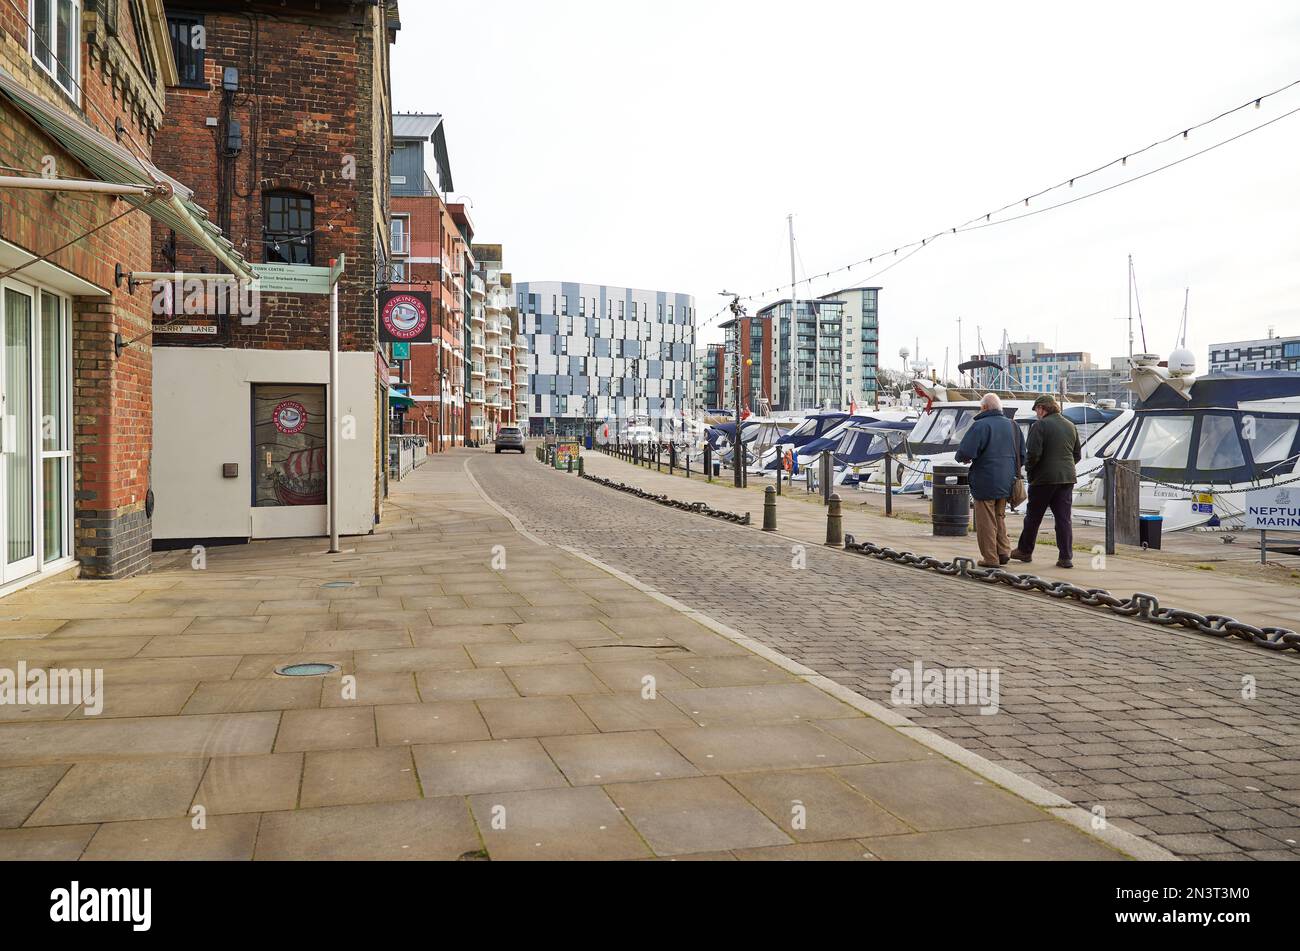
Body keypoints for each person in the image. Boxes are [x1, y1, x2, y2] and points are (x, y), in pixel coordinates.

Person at [1010, 395, 1082, 568]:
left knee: (1033, 517)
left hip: (1044, 479)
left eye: (1036, 410)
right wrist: (1065, 467)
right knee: (1063, 519)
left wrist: (1030, 471)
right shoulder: (1070, 425)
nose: (1036, 414)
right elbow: (1077, 455)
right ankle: (1065, 557)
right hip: (1066, 479)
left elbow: (1033, 454)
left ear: (1042, 408)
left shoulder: (1040, 425)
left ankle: (1025, 551)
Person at [955, 393, 1025, 568]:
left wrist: (964, 458)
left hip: (986, 480)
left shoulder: (981, 425)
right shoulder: (1013, 425)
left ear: (985, 407)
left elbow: (965, 452)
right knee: (999, 516)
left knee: (986, 520)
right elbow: (1022, 455)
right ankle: (1003, 551)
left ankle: (990, 558)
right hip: (1007, 480)